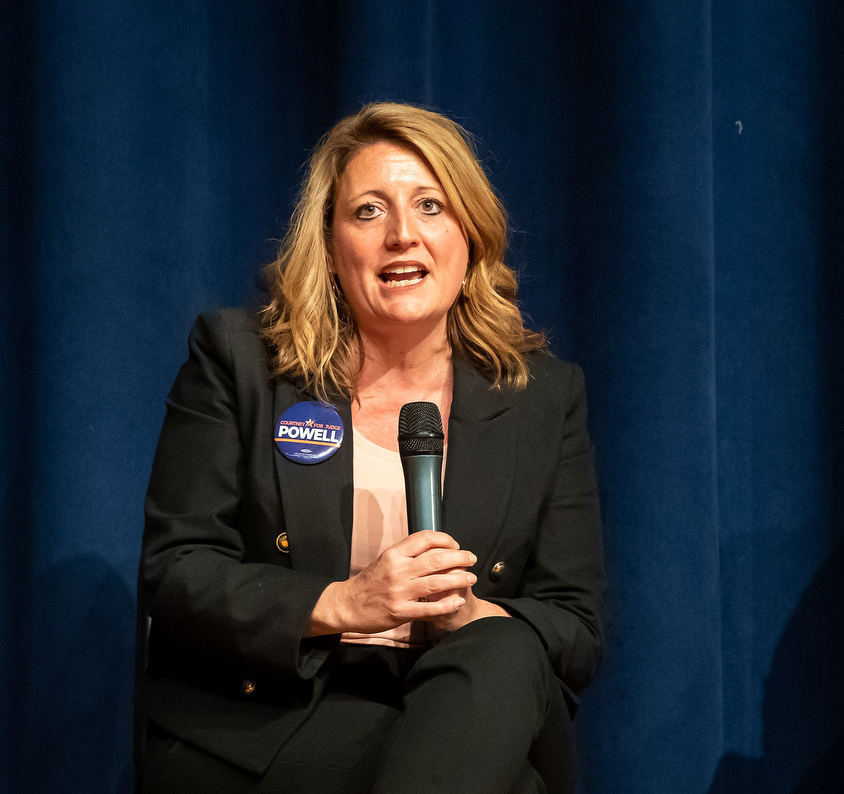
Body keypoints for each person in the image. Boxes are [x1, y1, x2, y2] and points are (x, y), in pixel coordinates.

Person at [137, 102, 605, 793]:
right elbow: (175, 570)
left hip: (462, 700)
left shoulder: (541, 397)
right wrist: (345, 602)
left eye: (431, 207)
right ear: (328, 247)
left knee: (505, 645)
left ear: (470, 236)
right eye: (368, 212)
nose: (403, 236)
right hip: (265, 720)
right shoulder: (243, 363)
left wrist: (468, 614)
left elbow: (575, 625)